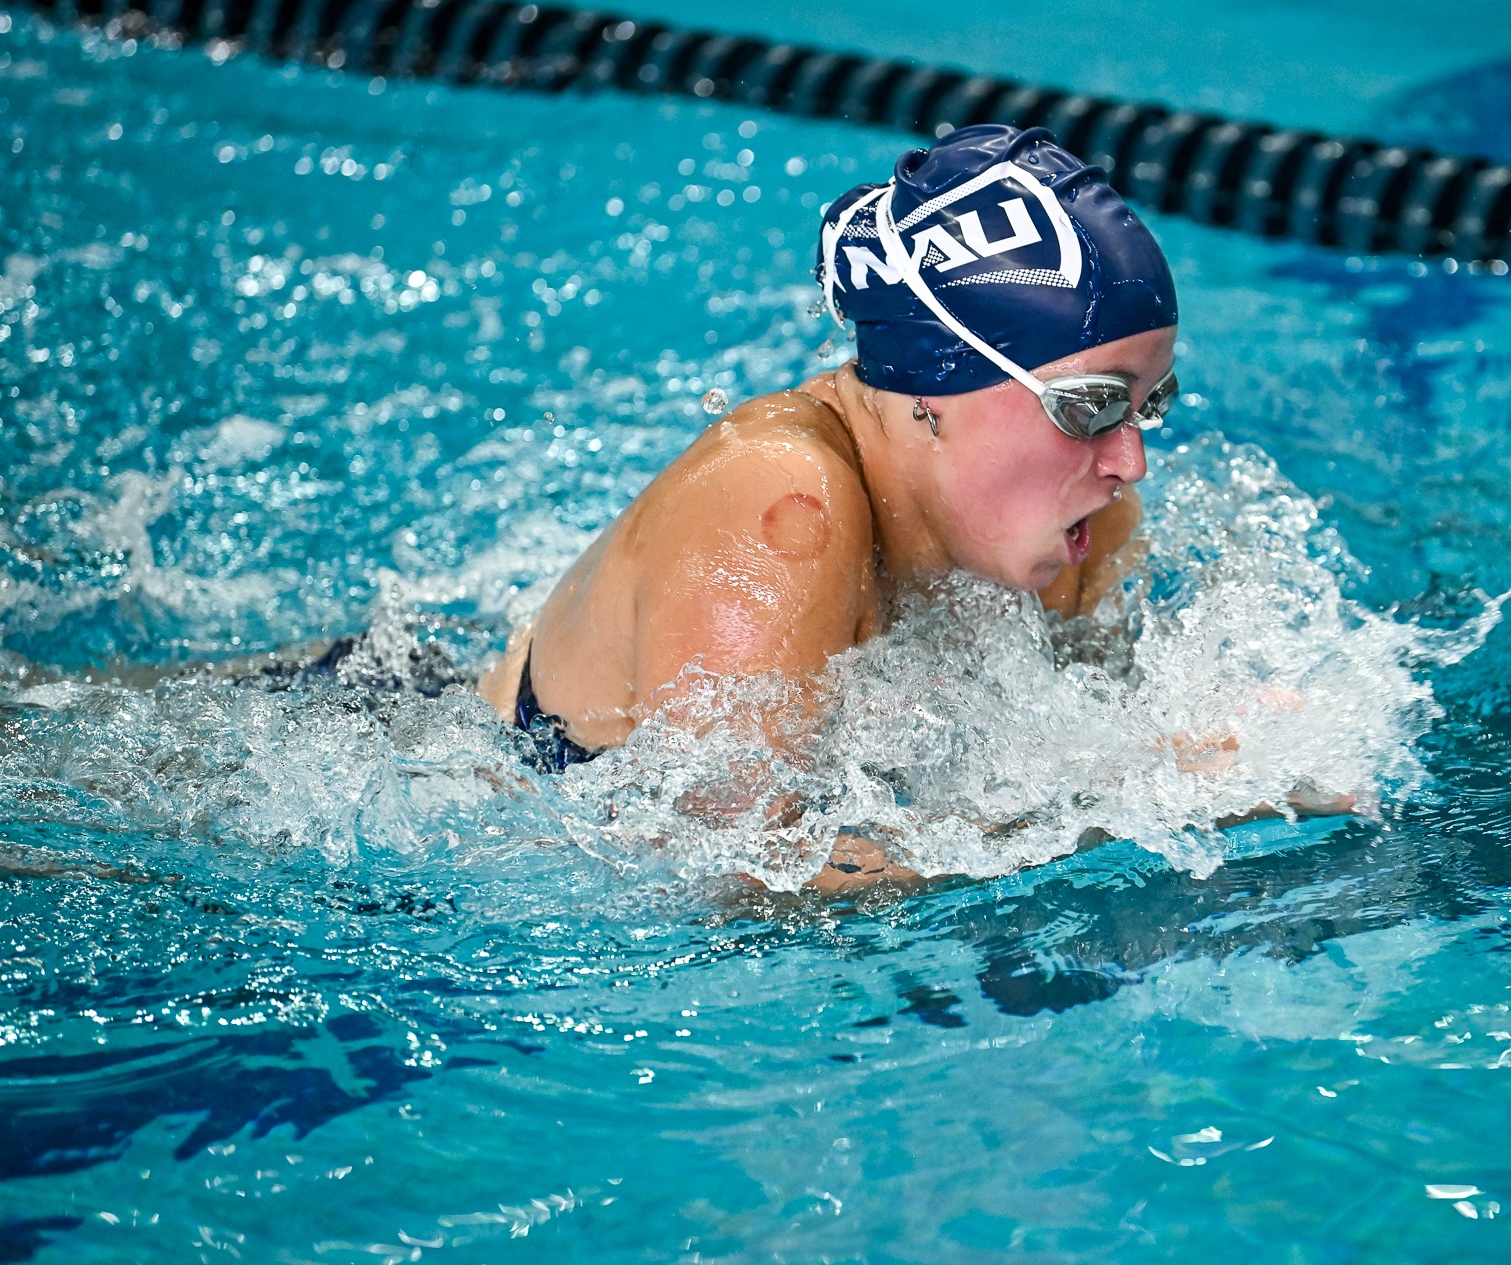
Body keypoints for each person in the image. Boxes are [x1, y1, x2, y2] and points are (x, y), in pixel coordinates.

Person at [477, 124, 1185, 890]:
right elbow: (732, 879)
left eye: (1148, 405)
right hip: (483, 824)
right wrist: (1164, 805)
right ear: (932, 392)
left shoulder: (1078, 524)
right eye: (1091, 408)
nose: (1129, 462)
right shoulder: (780, 508)